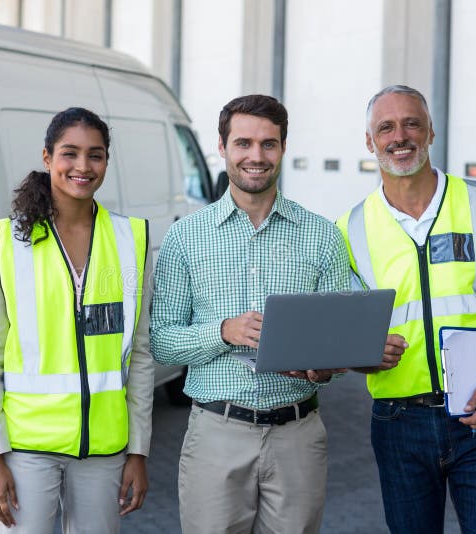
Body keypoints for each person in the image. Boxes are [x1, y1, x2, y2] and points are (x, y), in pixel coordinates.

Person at [150, 94, 406, 534]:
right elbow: (162, 341)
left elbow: (335, 343)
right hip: (216, 435)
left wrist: (324, 369)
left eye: (268, 144)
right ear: (222, 147)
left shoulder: (322, 236)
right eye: (243, 143)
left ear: (284, 148)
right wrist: (223, 331)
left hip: (297, 437)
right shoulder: (185, 238)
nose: (256, 156)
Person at [336, 85, 476, 533]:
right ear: (369, 141)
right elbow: (349, 342)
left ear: (431, 131)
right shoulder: (350, 229)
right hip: (397, 423)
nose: (400, 136)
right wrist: (364, 355)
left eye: (412, 123)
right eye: (386, 128)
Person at [0, 107, 154, 533]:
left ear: (107, 161)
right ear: (47, 157)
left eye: (95, 155)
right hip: (25, 449)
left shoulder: (132, 240)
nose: (83, 166)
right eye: (70, 153)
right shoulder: (6, 242)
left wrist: (138, 451)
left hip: (104, 450)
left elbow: (141, 355)